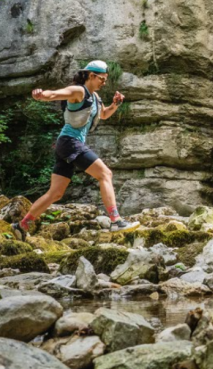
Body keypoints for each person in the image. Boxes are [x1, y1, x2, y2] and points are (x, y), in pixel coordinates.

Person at [14, 60, 139, 239]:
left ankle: (21, 225)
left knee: (55, 193)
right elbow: (56, 94)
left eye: (105, 79)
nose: (104, 82)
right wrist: (41, 95)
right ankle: (116, 221)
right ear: (91, 76)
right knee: (105, 174)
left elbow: (103, 115)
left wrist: (115, 105)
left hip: (65, 144)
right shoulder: (78, 91)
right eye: (102, 79)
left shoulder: (95, 97)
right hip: (70, 142)